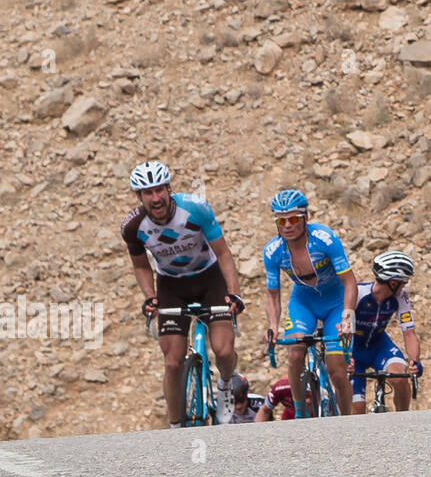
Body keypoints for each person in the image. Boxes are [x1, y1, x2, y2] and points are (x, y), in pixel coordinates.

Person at [122, 161, 245, 427]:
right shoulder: (133, 227)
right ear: (139, 197)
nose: (156, 198)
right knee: (173, 363)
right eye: (148, 193)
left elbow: (223, 253)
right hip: (171, 286)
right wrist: (149, 296)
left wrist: (234, 294)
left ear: (169, 188)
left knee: (223, 351)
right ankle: (175, 425)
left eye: (160, 190)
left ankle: (225, 385)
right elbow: (141, 265)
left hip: (210, 278)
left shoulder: (195, 208)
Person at [262, 189, 357, 417]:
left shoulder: (325, 239)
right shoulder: (273, 251)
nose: (287, 225)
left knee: (336, 370)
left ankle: (349, 419)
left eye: (293, 219)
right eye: (281, 220)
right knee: (295, 353)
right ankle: (300, 413)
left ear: (306, 217)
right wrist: (273, 327)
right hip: (303, 301)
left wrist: (347, 316)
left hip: (336, 302)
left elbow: (350, 281)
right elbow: (273, 295)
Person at [350, 251, 422, 414]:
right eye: (403, 282)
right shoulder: (358, 294)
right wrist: (345, 357)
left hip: (379, 346)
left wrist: (414, 361)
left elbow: (409, 333)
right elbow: (340, 328)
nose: (404, 286)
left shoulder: (400, 297)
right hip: (354, 349)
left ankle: (403, 419)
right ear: (392, 282)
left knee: (400, 378)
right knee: (357, 411)